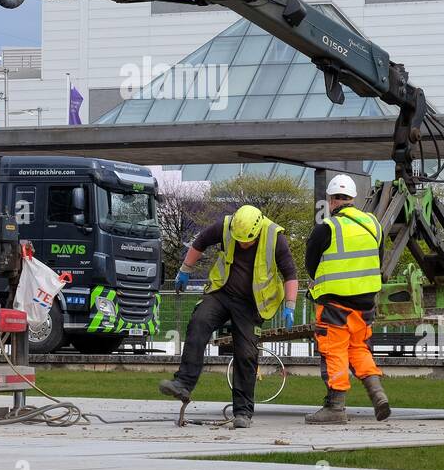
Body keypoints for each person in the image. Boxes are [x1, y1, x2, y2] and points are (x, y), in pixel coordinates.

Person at [159, 205, 299, 428]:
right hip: (222, 292)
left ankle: (243, 412)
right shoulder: (226, 226)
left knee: (246, 354)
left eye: (248, 241)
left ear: (258, 230)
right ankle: (183, 383)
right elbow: (200, 242)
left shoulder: (275, 236)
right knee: (198, 323)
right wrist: (185, 269)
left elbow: (290, 274)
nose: (243, 244)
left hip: (251, 303)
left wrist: (290, 305)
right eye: (239, 239)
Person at [303, 174, 391, 424]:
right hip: (365, 304)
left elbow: (310, 263)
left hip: (335, 304)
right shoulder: (373, 224)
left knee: (334, 350)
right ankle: (378, 395)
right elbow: (379, 259)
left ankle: (335, 407)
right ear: (353, 198)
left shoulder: (327, 227)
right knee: (359, 348)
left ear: (331, 201)